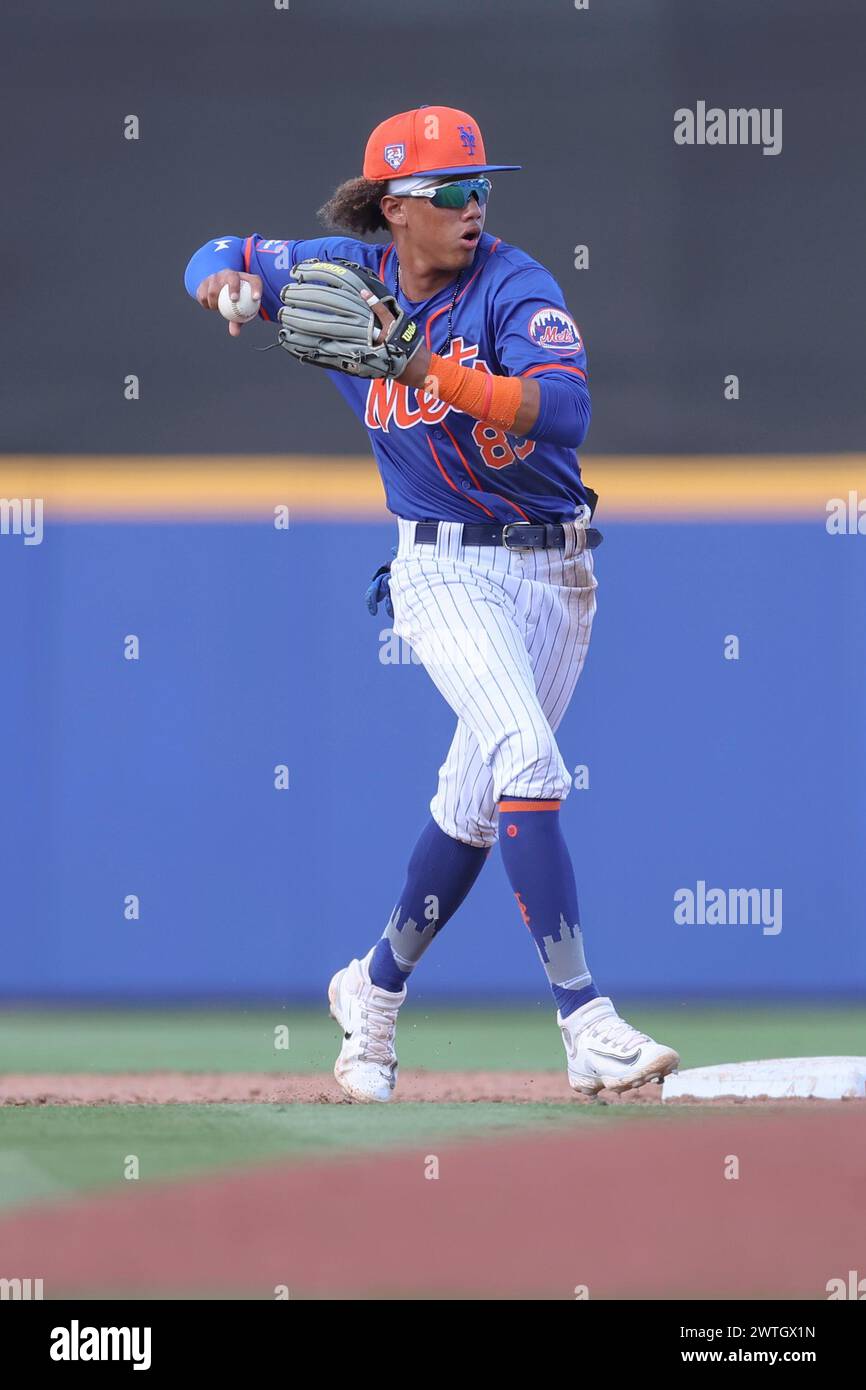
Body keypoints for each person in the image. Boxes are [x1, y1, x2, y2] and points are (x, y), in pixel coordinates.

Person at [185, 105, 679, 1102]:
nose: (473, 206)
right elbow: (213, 250)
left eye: (480, 187)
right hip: (440, 567)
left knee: (470, 807)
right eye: (451, 192)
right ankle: (584, 1021)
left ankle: (368, 997)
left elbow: (565, 410)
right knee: (529, 759)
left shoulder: (513, 283)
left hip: (556, 572)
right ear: (393, 207)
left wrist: (431, 372)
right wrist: (225, 286)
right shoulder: (340, 271)